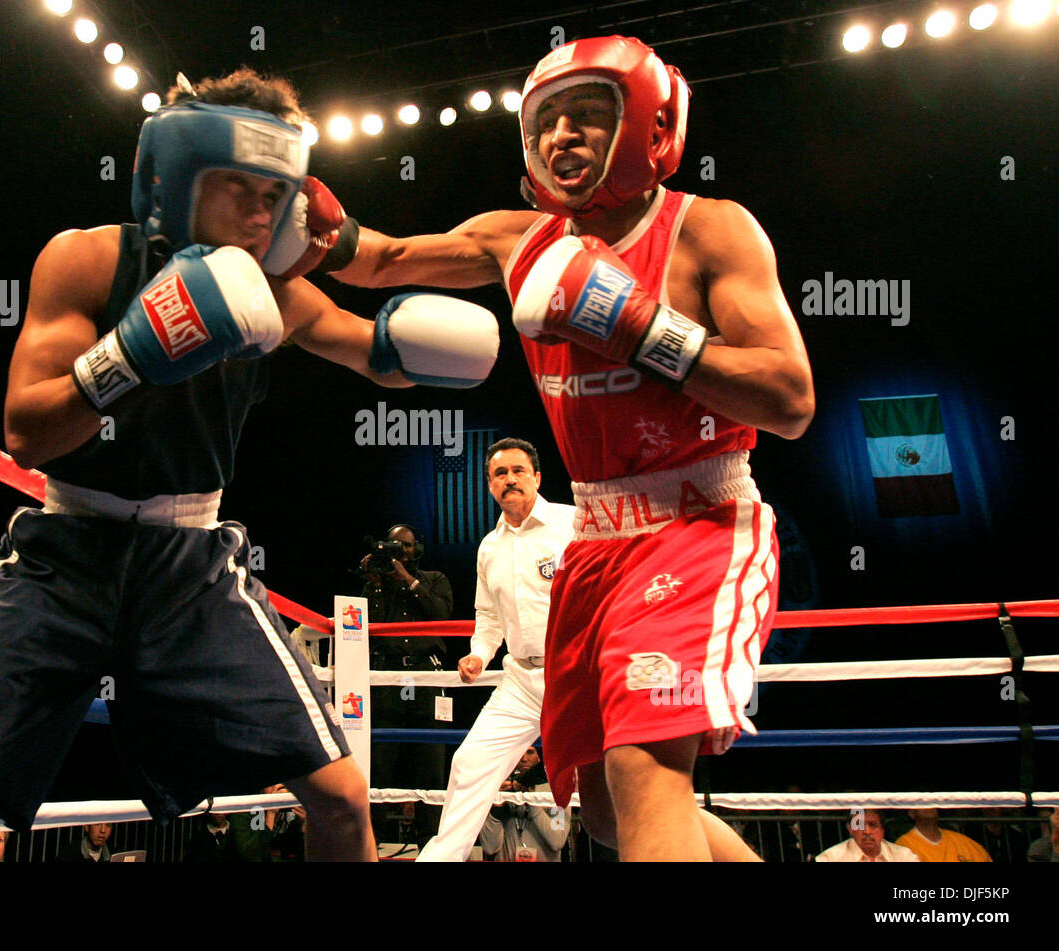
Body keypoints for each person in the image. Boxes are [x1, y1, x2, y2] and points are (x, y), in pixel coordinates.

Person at [0, 67, 499, 863]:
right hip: (67, 549)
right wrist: (132, 353)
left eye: (275, 195)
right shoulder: (86, 261)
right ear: (179, 177)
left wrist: (413, 348)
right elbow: (26, 432)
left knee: (339, 794)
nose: (262, 216)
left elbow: (374, 353)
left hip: (191, 564)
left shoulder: (278, 293)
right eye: (240, 189)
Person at [333, 35, 813, 860]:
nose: (561, 135)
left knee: (643, 768)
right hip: (596, 538)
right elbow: (378, 258)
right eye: (545, 119)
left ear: (651, 126)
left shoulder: (710, 231)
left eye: (588, 113)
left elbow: (790, 398)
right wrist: (288, 217)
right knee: (604, 807)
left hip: (697, 517)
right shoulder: (518, 240)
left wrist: (638, 328)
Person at [417, 437, 575, 861]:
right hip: (521, 680)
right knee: (469, 763)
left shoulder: (573, 524)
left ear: (537, 477)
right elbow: (488, 619)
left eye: (518, 471)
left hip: (578, 676)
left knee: (612, 787)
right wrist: (478, 655)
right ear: (489, 485)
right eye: (499, 474)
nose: (510, 480)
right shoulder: (489, 546)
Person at [361, 522, 453, 845]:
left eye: (407, 546)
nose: (401, 552)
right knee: (380, 766)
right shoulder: (378, 585)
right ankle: (377, 843)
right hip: (387, 679)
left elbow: (442, 615)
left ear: (418, 549)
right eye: (394, 547)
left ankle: (432, 844)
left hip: (427, 679)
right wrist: (373, 582)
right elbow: (363, 626)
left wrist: (408, 581)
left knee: (431, 768)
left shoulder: (434, 580)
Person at [478, 746, 568, 861]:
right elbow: (490, 848)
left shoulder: (557, 791)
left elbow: (557, 841)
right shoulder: (498, 790)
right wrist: (497, 809)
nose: (524, 759)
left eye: (530, 752)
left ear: (539, 758)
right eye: (520, 752)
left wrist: (530, 800)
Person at [815, 810, 919, 863]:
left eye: (873, 825)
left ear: (882, 829)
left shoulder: (904, 857)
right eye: (860, 825)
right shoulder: (830, 858)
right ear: (850, 829)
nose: (867, 831)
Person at [896, 809, 991, 863]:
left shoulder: (961, 840)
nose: (929, 807)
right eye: (922, 803)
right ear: (912, 813)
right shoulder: (904, 845)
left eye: (932, 802)